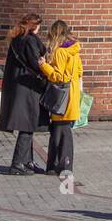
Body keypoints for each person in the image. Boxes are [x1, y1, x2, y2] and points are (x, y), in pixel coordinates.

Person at [0, 13, 48, 175]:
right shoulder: (30, 40)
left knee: (28, 124)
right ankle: (18, 163)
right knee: (27, 126)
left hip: (16, 86)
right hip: (27, 87)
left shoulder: (16, 39)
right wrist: (47, 70)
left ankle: (27, 161)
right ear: (35, 26)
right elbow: (35, 63)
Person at [37, 20, 83, 180]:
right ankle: (57, 166)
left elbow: (59, 76)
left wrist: (44, 66)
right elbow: (79, 71)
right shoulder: (74, 50)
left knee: (61, 133)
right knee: (61, 132)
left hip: (62, 98)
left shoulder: (60, 52)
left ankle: (62, 167)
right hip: (72, 96)